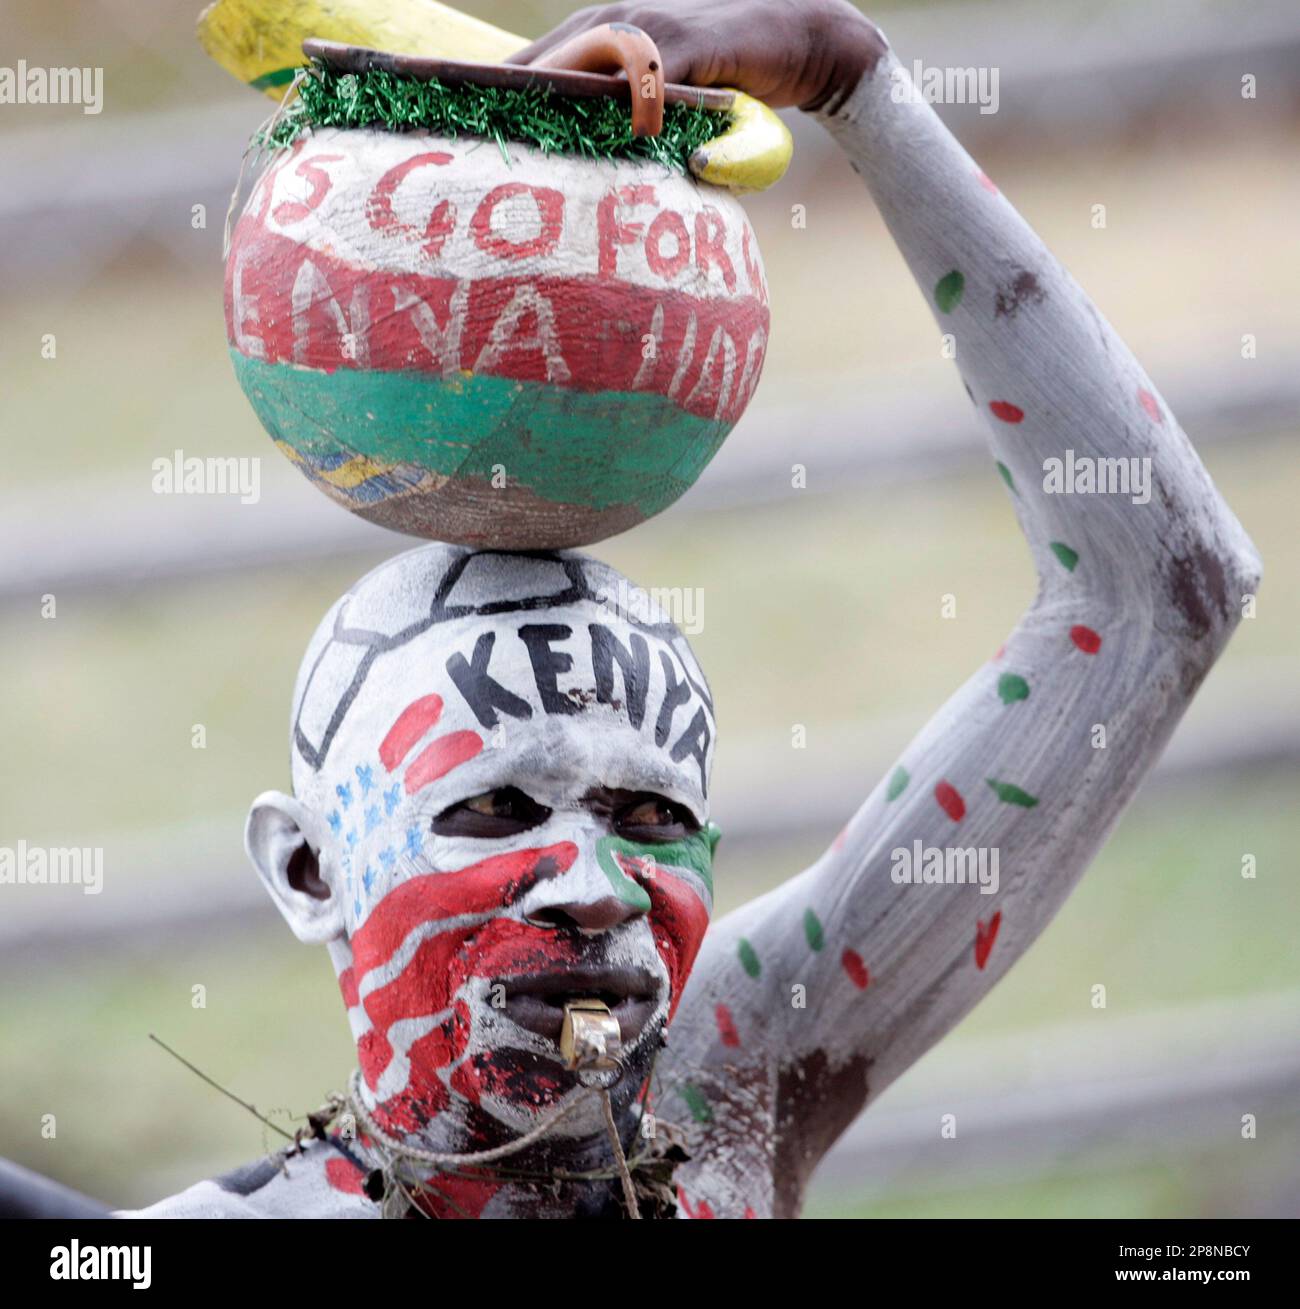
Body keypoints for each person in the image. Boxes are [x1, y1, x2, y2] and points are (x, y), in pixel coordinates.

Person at [122, 0, 1260, 1218]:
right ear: (309, 868)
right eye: (495, 808)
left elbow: (1163, 590)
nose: (593, 886)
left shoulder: (729, 1084)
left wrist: (851, 79)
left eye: (652, 816)